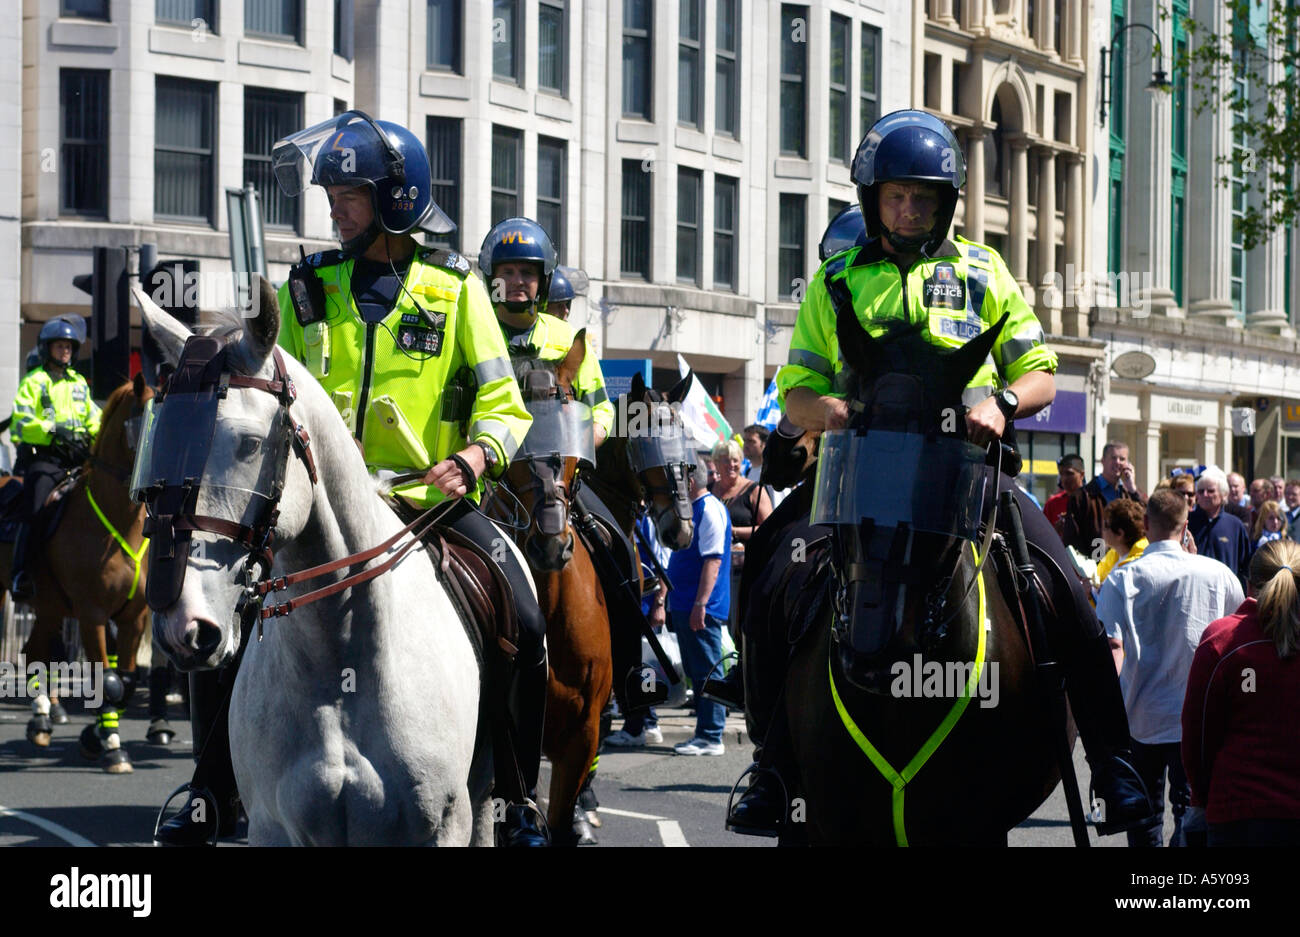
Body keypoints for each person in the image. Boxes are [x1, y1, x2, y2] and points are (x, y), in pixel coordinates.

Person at [727, 109, 1152, 836]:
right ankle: (770, 761)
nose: (909, 209)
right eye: (896, 196)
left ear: (945, 203)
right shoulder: (835, 279)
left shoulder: (982, 272)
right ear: (873, 200)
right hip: (856, 478)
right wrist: (822, 404)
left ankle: (1115, 765)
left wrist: (1005, 400)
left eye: (923, 197)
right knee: (770, 563)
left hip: (966, 482)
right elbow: (794, 385)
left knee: (1068, 588)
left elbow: (1041, 371)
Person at [155, 110, 547, 846]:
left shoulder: (455, 287)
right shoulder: (307, 286)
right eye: (331, 195)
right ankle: (208, 788)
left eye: (349, 194)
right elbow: (274, 392)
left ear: (396, 199)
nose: (334, 207)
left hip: (428, 500)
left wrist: (473, 457)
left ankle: (518, 793)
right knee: (223, 606)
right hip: (318, 505)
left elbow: (505, 404)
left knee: (522, 608)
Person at [479, 217, 665, 716]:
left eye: (529, 272)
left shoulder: (567, 336)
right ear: (491, 276)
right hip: (491, 479)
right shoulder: (475, 327)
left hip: (558, 478)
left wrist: (588, 438)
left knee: (618, 548)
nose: (518, 281)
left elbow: (601, 407)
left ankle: (625, 677)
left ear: (543, 280)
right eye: (508, 271)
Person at [1096, 489, 1243, 847]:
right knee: (1191, 814)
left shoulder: (1122, 578)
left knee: (1143, 817)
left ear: (1146, 525)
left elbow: (1111, 649)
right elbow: (1237, 635)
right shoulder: (1218, 574)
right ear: (1186, 525)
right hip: (1195, 716)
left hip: (1140, 715)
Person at [1182, 539, 1300, 846]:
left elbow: (1198, 733)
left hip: (1237, 810)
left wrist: (1201, 794)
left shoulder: (1223, 639)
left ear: (1249, 584)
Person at [7, 317, 100, 601]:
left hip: (76, 461)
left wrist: (96, 434)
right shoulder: (34, 382)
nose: (65, 351)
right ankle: (22, 573)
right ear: (47, 348)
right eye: (60, 346)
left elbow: (94, 418)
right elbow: (20, 424)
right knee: (35, 509)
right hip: (45, 462)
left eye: (69, 346)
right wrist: (51, 429)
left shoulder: (79, 384)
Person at [668, 452, 732, 756]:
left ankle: (711, 735)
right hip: (687, 603)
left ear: (691, 481)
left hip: (701, 606)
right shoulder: (696, 508)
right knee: (698, 670)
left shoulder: (709, 509)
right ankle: (706, 731)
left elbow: (714, 560)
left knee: (707, 670)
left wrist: (701, 604)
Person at [1062, 442, 1146, 558]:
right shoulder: (1081, 497)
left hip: (1125, 564)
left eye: (1122, 459)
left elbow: (1147, 521)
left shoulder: (1130, 494)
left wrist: (1132, 489)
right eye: (1113, 458)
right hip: (1094, 567)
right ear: (1103, 461)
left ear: (1128, 464)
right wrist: (1085, 569)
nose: (1117, 462)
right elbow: (1072, 539)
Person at [1188, 467, 1252, 591]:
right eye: (1201, 491)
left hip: (1227, 594)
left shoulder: (1235, 525)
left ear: (1223, 494)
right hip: (1195, 591)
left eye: (1211, 491)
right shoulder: (1188, 522)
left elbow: (1245, 566)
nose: (1205, 495)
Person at [1090, 498, 1147, 604]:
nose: (1102, 529)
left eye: (1106, 525)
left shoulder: (1135, 565)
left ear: (1120, 534)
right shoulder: (1115, 552)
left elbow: (1111, 604)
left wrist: (1090, 593)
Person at [1045, 453, 1085, 535]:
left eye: (1069, 473)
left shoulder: (1093, 502)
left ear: (1081, 474)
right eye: (1061, 474)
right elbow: (1043, 535)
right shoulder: (1052, 504)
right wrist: (1055, 532)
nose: (1064, 478)